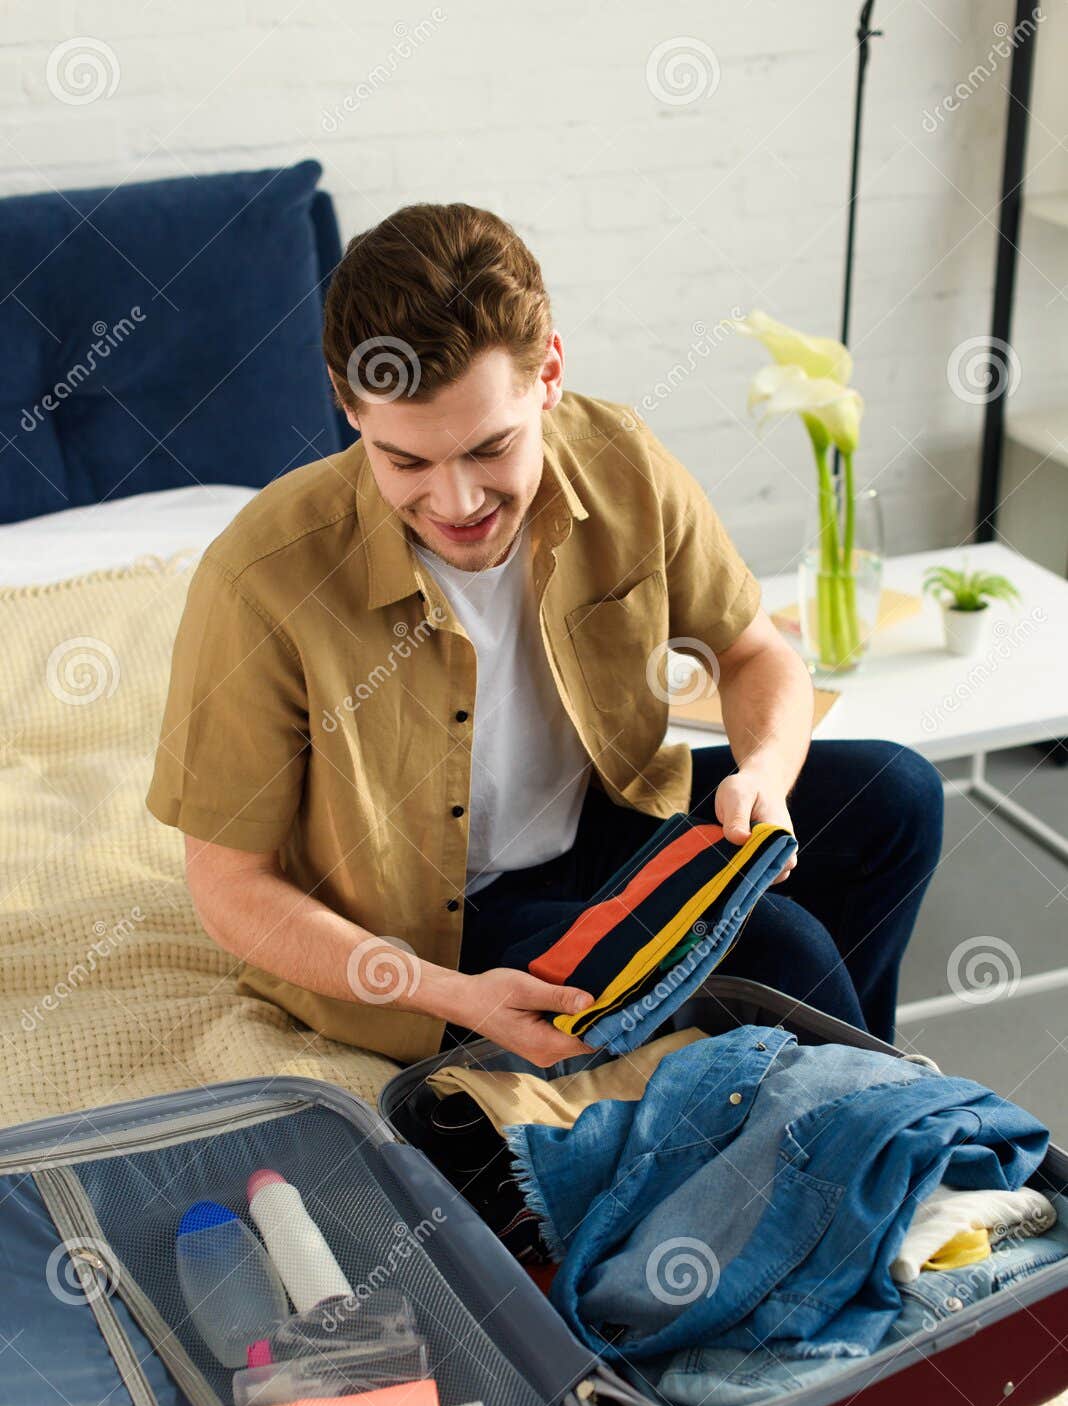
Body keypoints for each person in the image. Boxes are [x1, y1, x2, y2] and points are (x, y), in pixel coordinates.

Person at [146, 202, 943, 1067]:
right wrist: (442, 994)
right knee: (776, 950)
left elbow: (754, 653)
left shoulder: (621, 461)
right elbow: (229, 886)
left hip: (601, 821)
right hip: (435, 923)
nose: (455, 504)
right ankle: (898, 1133)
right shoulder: (260, 577)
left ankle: (858, 1103)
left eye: (491, 449)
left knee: (897, 798)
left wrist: (765, 774)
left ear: (549, 372)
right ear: (348, 405)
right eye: (406, 461)